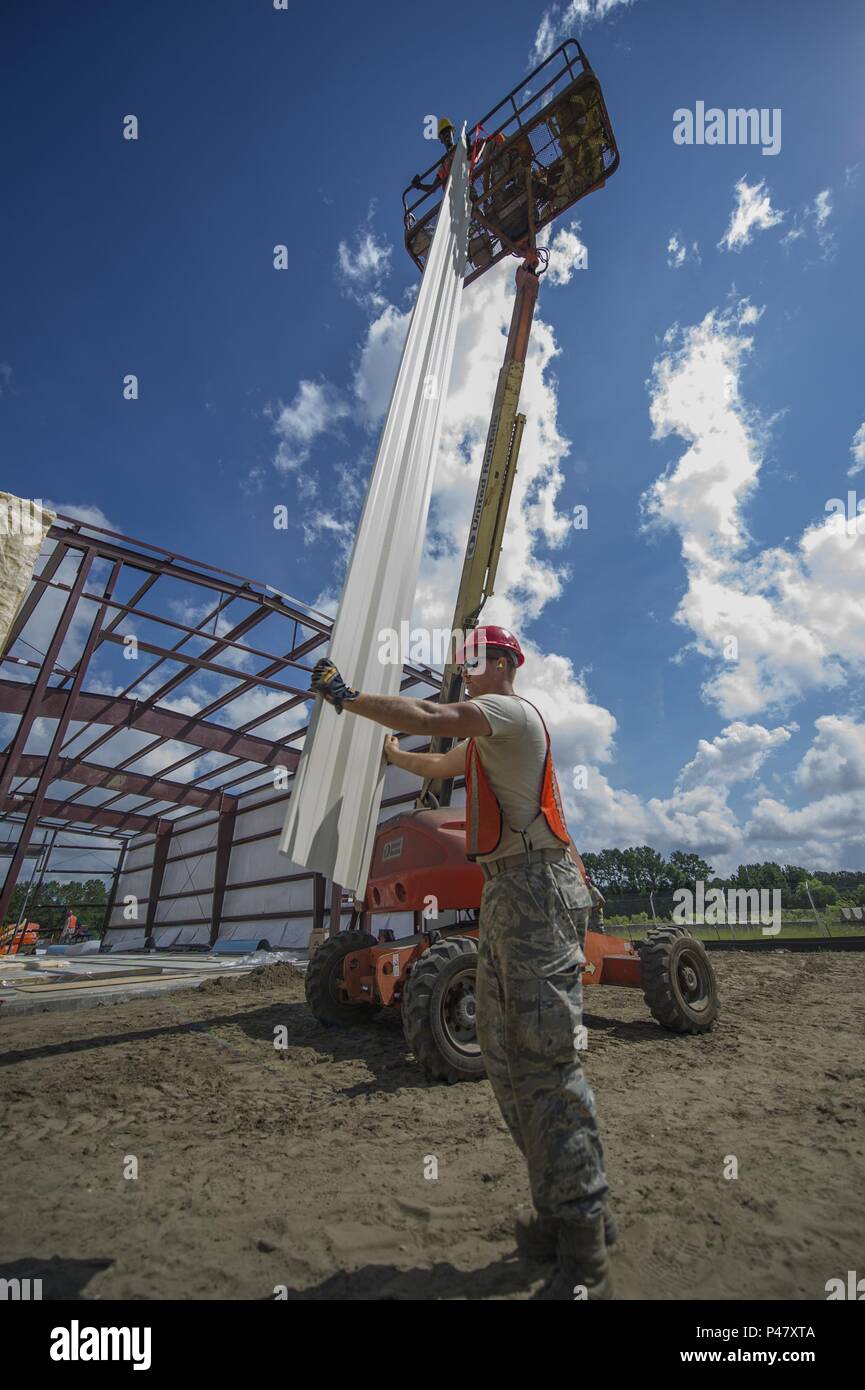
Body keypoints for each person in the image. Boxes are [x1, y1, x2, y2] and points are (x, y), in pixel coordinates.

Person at [309, 626, 614, 1299]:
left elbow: (428, 716)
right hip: (507, 891)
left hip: (538, 886)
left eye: (472, 661)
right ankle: (557, 1211)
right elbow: (431, 758)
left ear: (502, 665)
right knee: (505, 1058)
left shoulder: (506, 712)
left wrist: (347, 696)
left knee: (548, 1061)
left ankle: (587, 1244)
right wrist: (386, 749)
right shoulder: (481, 744)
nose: (463, 670)